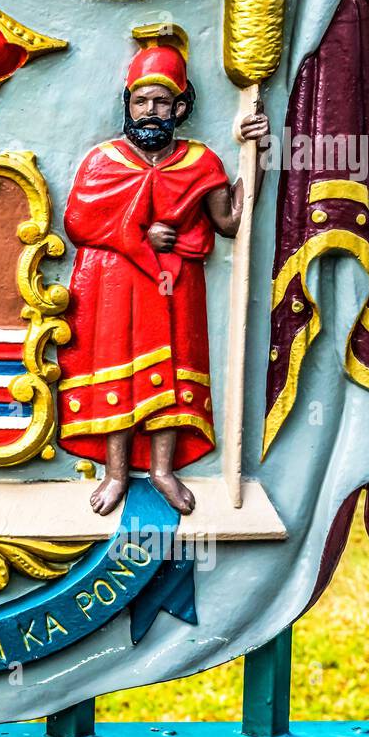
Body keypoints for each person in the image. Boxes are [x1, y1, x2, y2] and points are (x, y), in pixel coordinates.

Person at [57, 25, 268, 516]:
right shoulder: (103, 161)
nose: (150, 112)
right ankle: (115, 474)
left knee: (171, 375)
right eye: (141, 102)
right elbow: (79, 222)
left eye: (161, 102)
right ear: (128, 105)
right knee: (117, 377)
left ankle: (162, 470)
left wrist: (252, 156)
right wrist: (140, 232)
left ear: (179, 107)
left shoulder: (200, 162)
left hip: (176, 288)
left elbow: (230, 222)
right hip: (116, 288)